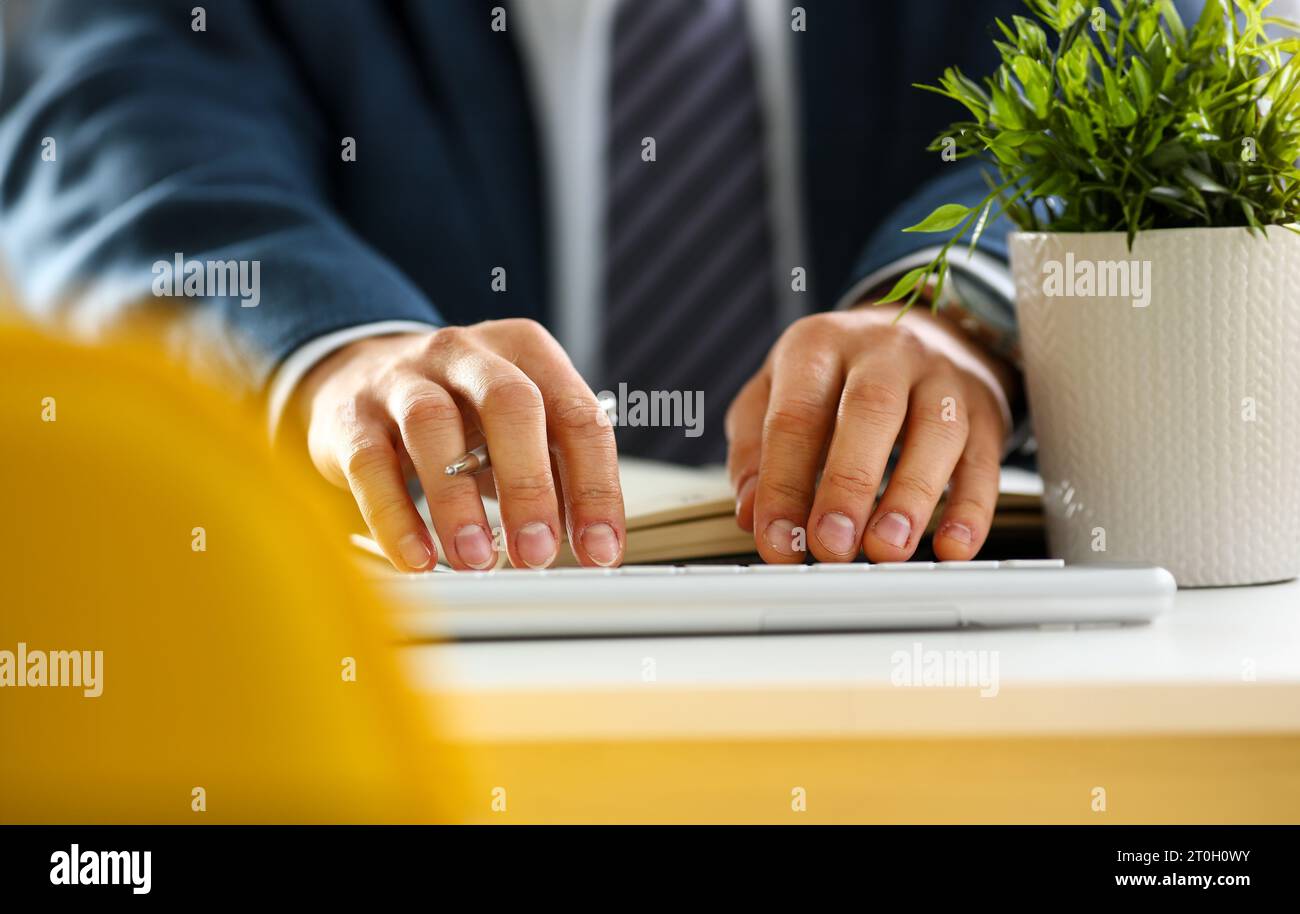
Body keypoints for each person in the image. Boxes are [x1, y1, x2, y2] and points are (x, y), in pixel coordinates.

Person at [0, 0, 1025, 572]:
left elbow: (1142, 65)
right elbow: (112, 137)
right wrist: (343, 351)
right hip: (439, 659)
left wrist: (953, 309)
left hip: (921, 607)